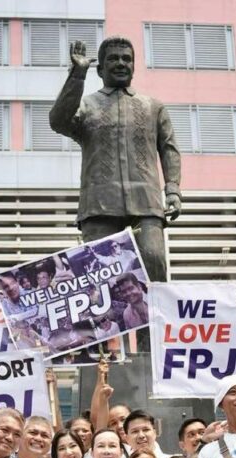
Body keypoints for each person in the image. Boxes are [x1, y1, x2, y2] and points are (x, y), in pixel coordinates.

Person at [49, 36, 181, 282]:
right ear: (99, 69)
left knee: (153, 261)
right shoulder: (87, 106)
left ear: (133, 66)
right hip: (99, 204)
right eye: (113, 59)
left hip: (146, 203)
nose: (121, 63)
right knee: (98, 275)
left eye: (126, 59)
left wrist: (172, 188)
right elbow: (59, 121)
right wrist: (77, 75)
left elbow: (169, 148)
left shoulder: (153, 107)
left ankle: (154, 318)